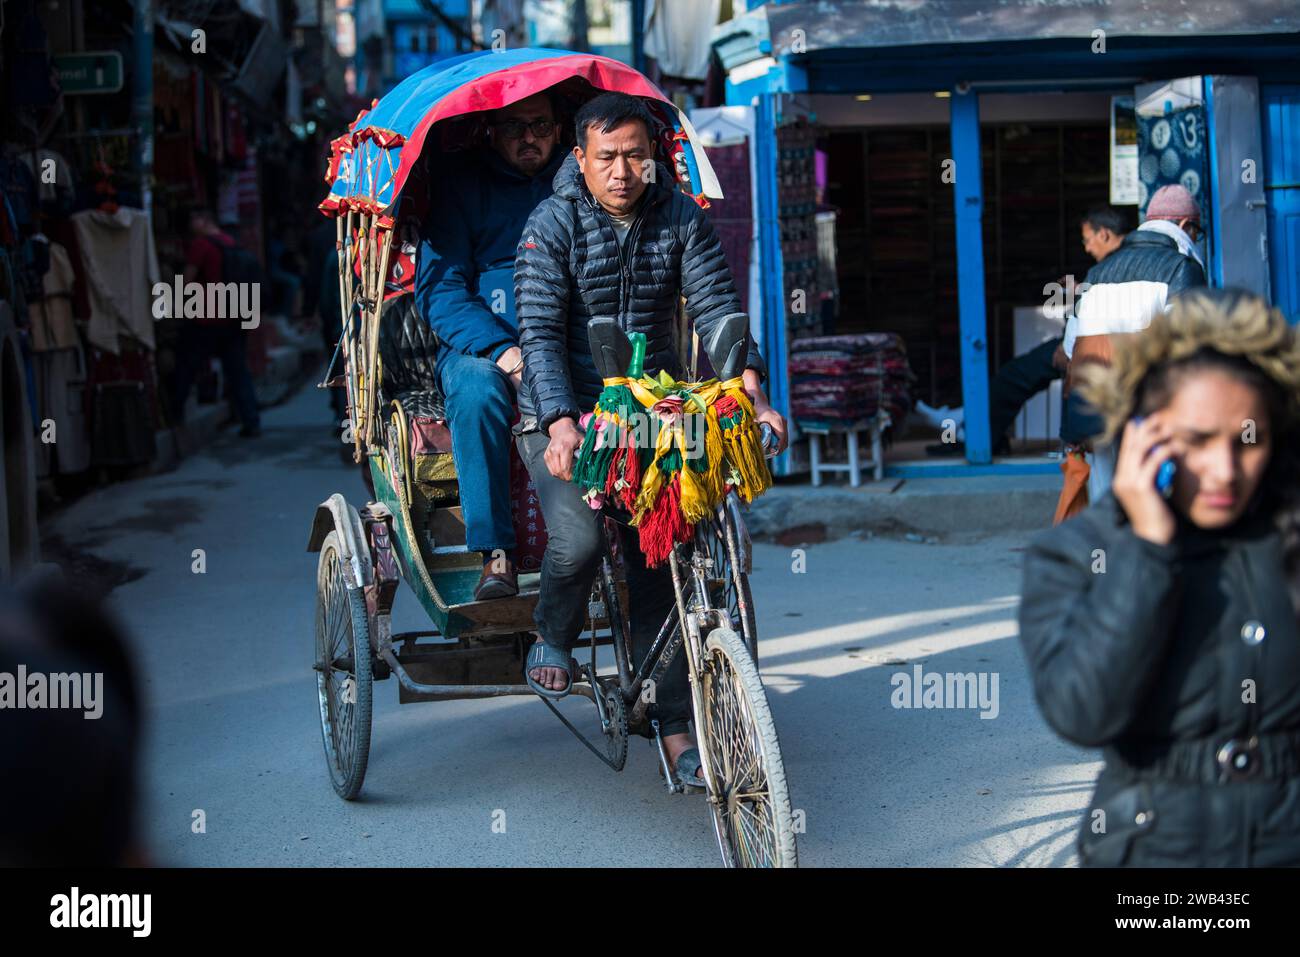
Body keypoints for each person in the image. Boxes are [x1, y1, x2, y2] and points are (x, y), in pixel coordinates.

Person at [513, 91, 786, 787]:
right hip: (565, 414)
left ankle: (673, 730)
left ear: (654, 156)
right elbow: (539, 333)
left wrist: (753, 391)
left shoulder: (680, 220)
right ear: (581, 158)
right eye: (607, 157)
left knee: (663, 557)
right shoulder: (551, 224)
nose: (623, 170)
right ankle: (552, 630)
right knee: (576, 539)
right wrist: (560, 421)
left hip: (654, 412)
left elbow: (719, 308)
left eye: (636, 154)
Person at [1018, 288, 1300, 866]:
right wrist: (1147, 549)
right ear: (1145, 433)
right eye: (1197, 441)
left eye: (1248, 441)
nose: (1224, 470)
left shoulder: (1288, 538)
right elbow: (1084, 712)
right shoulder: (1077, 553)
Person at [415, 92, 565, 601]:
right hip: (482, 346)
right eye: (514, 127)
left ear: (559, 129)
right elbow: (441, 290)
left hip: (564, 334)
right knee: (477, 393)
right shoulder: (462, 187)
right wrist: (506, 352)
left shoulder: (578, 182)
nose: (529, 138)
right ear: (491, 133)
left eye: (540, 125)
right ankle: (495, 554)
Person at [920, 205, 1132, 457]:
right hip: (1096, 343)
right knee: (1016, 374)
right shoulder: (1130, 260)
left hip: (1096, 348)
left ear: (1104, 235)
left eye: (1087, 240)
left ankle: (971, 427)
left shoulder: (1110, 267)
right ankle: (970, 423)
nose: (1087, 248)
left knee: (1015, 376)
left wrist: (1070, 345)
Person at [1062, 185, 1206, 503]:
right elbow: (1190, 347)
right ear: (1186, 226)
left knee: (1105, 500)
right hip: (1147, 409)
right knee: (1156, 500)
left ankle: (1109, 553)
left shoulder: (1097, 273)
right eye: (1197, 232)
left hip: (1092, 407)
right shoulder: (1182, 268)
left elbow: (1071, 349)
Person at [171, 208, 262, 437]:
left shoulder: (201, 245)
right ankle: (250, 420)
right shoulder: (231, 242)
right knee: (238, 370)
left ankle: (175, 414)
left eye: (193, 219)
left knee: (187, 365)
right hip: (233, 317)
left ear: (202, 220)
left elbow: (187, 280)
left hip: (207, 318)